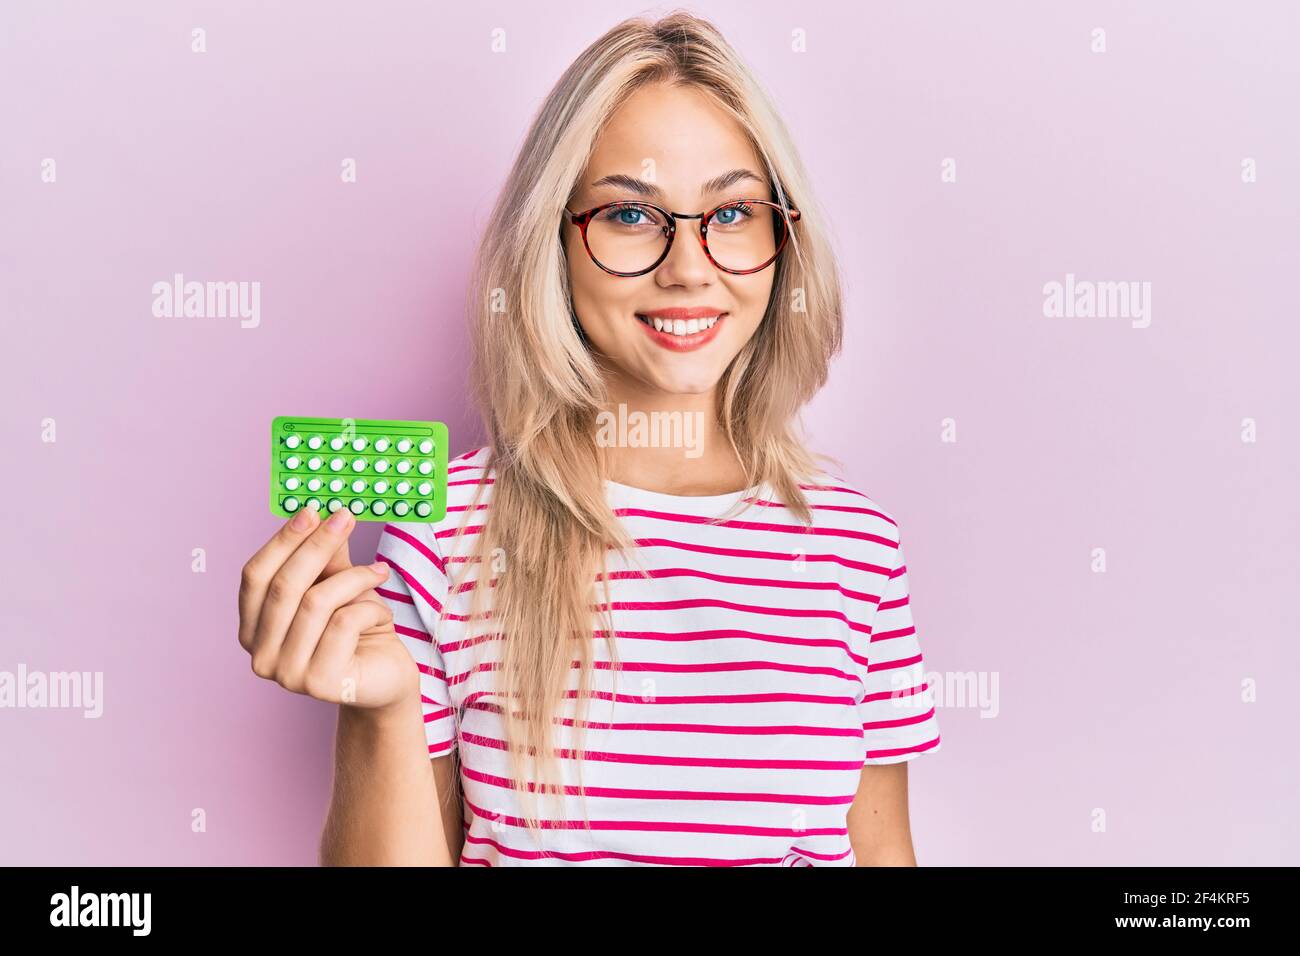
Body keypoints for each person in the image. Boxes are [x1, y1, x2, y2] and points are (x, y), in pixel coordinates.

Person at [237, 10, 940, 867]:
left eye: (732, 212)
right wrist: (378, 710)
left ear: (783, 239)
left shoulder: (856, 548)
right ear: (554, 242)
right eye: (631, 217)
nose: (689, 267)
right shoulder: (446, 534)